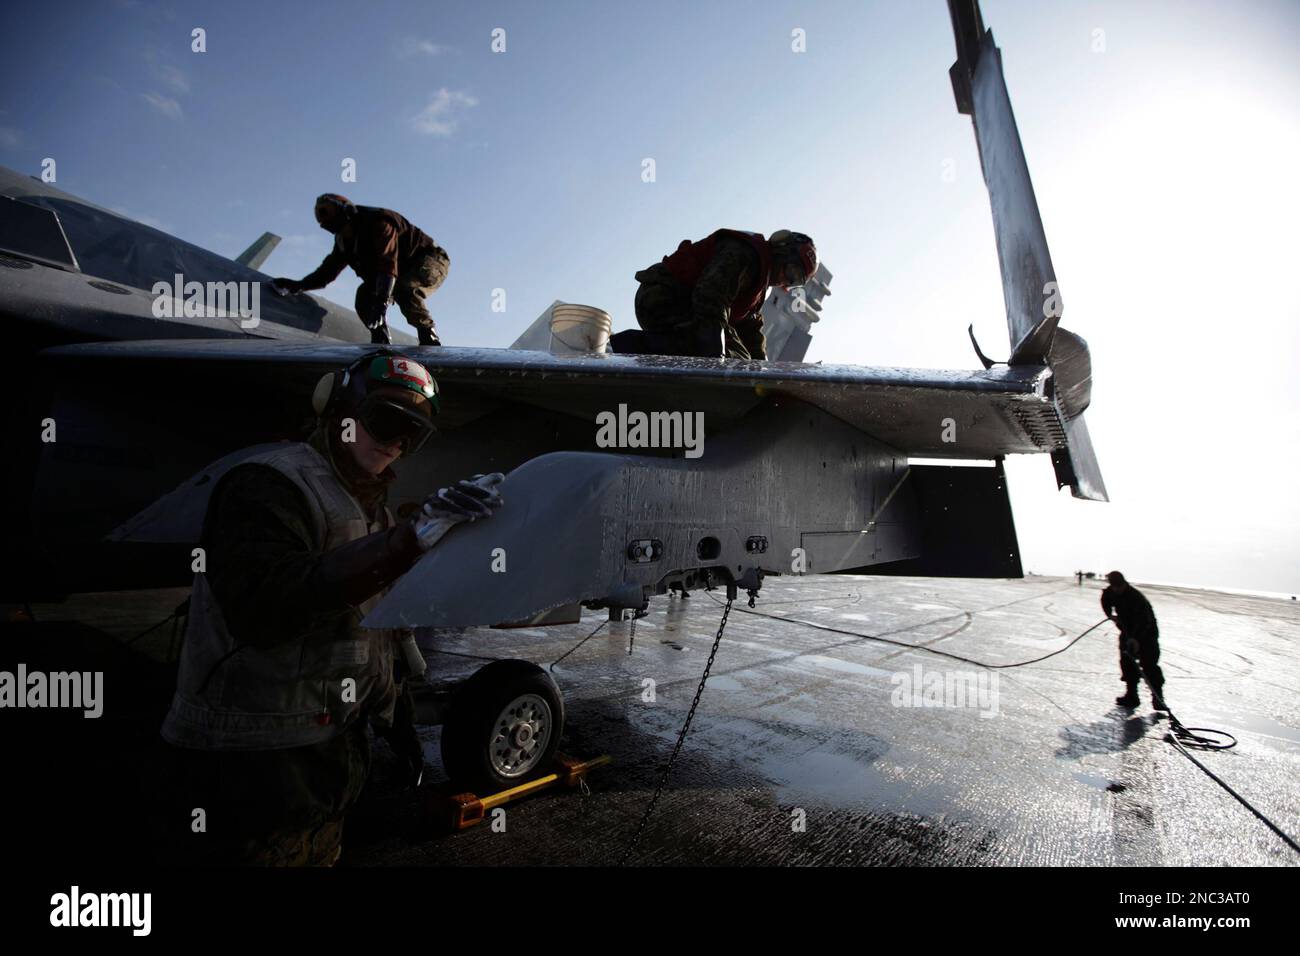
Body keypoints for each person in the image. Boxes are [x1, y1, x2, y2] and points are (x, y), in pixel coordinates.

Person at [162, 350, 503, 865]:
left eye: (414, 434)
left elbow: (375, 626)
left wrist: (395, 716)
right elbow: (264, 608)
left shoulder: (368, 507)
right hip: (248, 766)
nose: (397, 443)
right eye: (386, 420)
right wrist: (407, 541)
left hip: (323, 762)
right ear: (338, 409)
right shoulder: (268, 483)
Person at [610, 229, 817, 360]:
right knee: (727, 357)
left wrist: (762, 371)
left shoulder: (757, 288)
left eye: (794, 281)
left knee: (742, 361)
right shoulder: (744, 253)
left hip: (688, 305)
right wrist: (715, 353)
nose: (786, 281)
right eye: (791, 272)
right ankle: (629, 346)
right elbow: (710, 294)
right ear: (781, 250)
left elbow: (749, 328)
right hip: (663, 297)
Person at [275, 194, 450, 346]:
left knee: (405, 288)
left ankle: (429, 337)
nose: (346, 233)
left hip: (429, 260)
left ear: (348, 213)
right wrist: (298, 285)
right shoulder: (344, 243)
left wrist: (381, 302)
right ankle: (381, 339)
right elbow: (326, 274)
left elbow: (387, 260)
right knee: (364, 296)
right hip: (393, 270)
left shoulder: (379, 222)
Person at [1100, 571, 1167, 711]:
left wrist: (1136, 639)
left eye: (1119, 586)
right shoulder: (1111, 592)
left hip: (1146, 633)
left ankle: (1158, 699)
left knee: (1149, 665)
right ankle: (1132, 696)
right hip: (1127, 631)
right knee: (1126, 662)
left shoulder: (1136, 598)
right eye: (1114, 587)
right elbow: (1105, 600)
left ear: (1124, 583)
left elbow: (1144, 621)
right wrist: (1111, 616)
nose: (1117, 589)